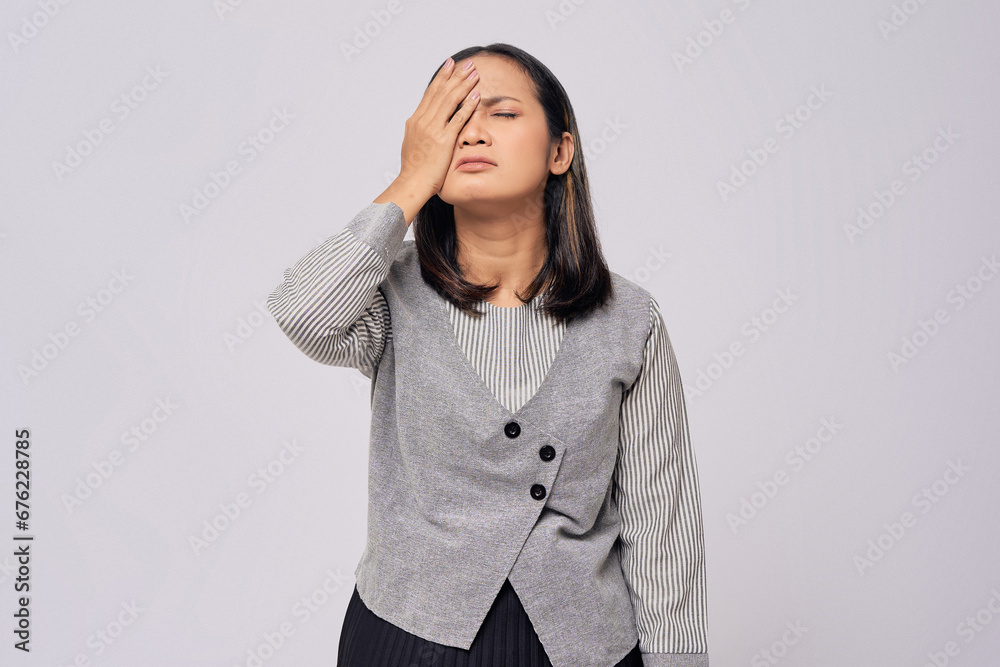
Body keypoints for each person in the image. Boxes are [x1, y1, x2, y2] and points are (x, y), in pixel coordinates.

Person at [266, 43, 709, 667]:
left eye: (500, 114)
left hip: (582, 648)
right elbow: (301, 311)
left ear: (561, 150)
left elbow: (663, 529)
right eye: (450, 119)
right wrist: (412, 182)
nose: (471, 132)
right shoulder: (388, 292)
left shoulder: (630, 320)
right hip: (404, 639)